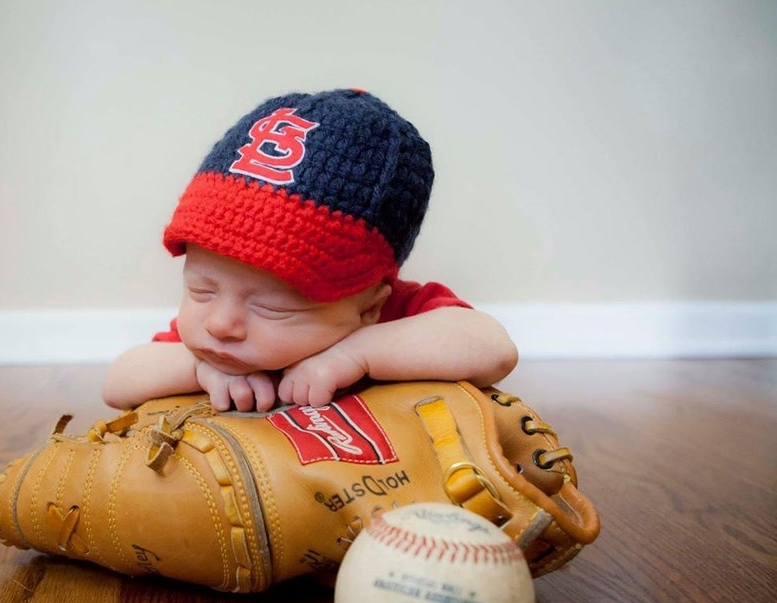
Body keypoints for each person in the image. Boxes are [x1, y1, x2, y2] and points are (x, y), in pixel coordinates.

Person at [103, 88, 517, 413]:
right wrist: (197, 368)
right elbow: (117, 384)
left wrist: (357, 355)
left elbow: (494, 348)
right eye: (200, 290)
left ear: (369, 306)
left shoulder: (392, 317)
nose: (221, 323)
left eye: (273, 308)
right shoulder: (213, 347)